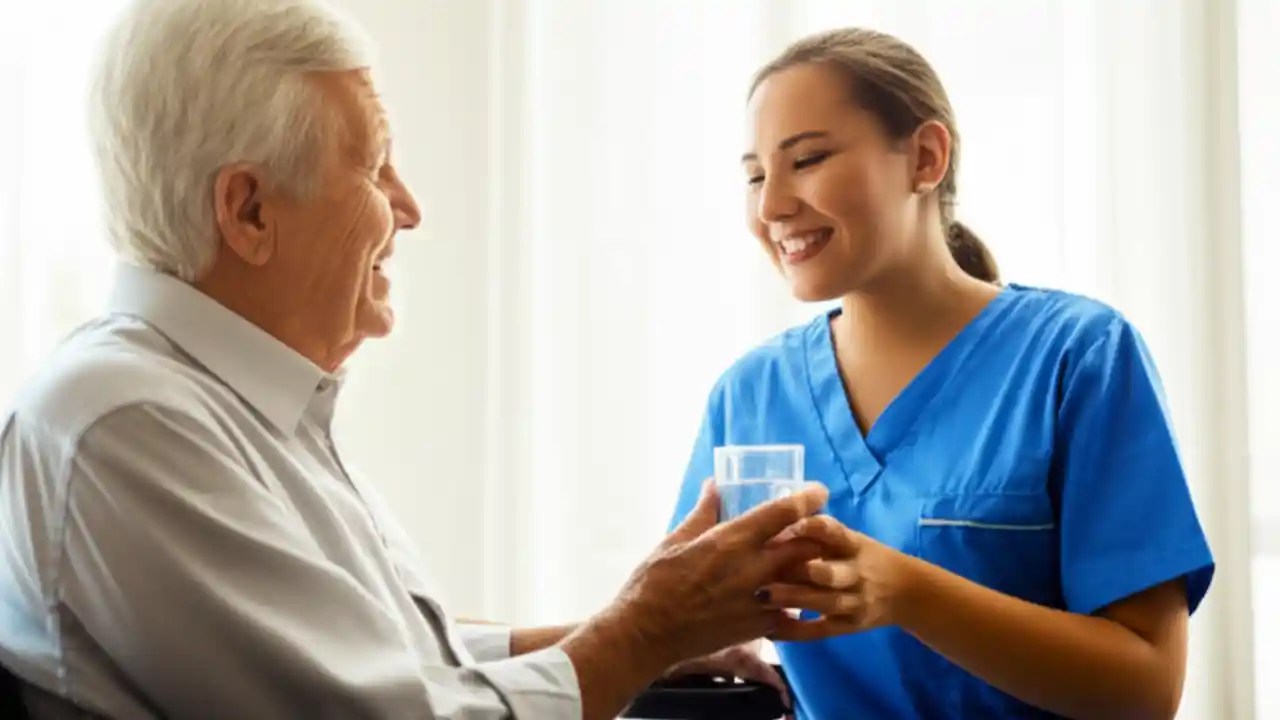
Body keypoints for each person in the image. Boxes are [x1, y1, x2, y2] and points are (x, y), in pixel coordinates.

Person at [0, 1, 834, 718]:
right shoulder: (129, 419)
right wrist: (644, 629)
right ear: (249, 211)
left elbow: (378, 654)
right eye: (374, 167)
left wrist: (636, 631)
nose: (409, 208)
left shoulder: (226, 404)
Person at [669, 27, 1215, 719]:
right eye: (754, 176)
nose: (771, 205)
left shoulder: (1078, 357)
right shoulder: (749, 396)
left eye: (807, 158)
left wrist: (905, 591)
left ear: (925, 158)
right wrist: (695, 647)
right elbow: (677, 612)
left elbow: (1146, 690)